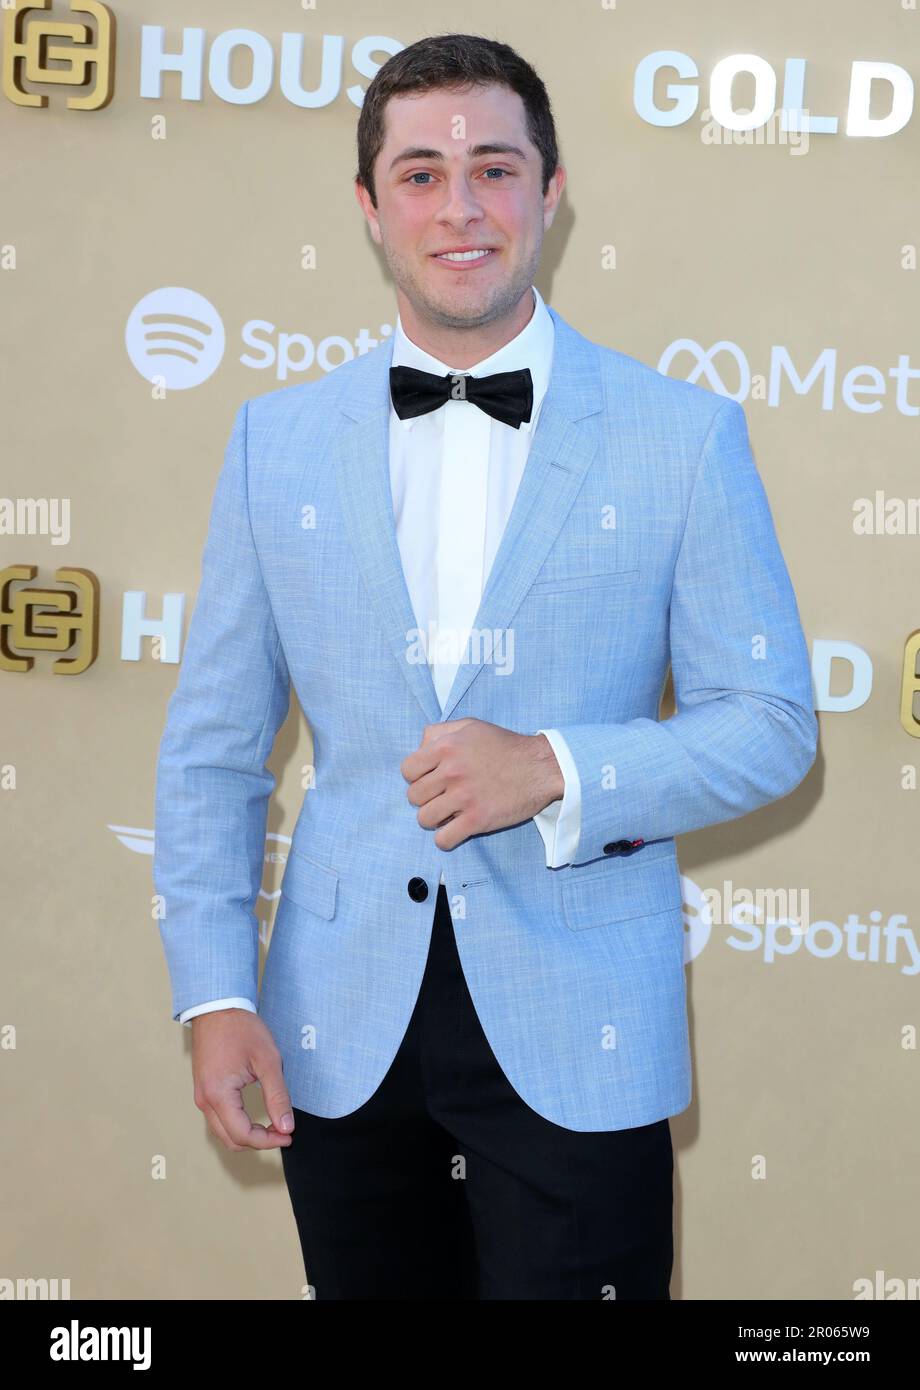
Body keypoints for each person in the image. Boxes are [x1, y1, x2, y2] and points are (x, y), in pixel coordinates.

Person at [153, 33, 817, 1300]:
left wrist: (557, 768)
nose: (458, 208)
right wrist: (210, 998)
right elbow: (212, 751)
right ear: (366, 207)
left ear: (550, 191)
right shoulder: (273, 442)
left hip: (579, 1023)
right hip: (334, 1033)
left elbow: (770, 723)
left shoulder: (680, 437)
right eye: (417, 174)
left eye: (494, 169)